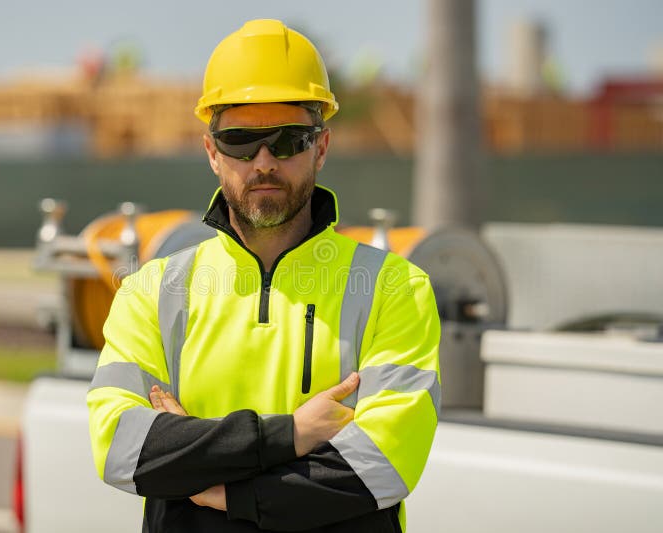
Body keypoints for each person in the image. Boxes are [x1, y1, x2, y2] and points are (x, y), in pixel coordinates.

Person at [87, 19, 441, 533]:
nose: (264, 161)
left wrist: (221, 490)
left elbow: (379, 469)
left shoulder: (396, 289)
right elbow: (124, 451)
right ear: (212, 152)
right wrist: (292, 434)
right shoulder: (150, 292)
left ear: (320, 147)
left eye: (289, 139)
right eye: (240, 141)